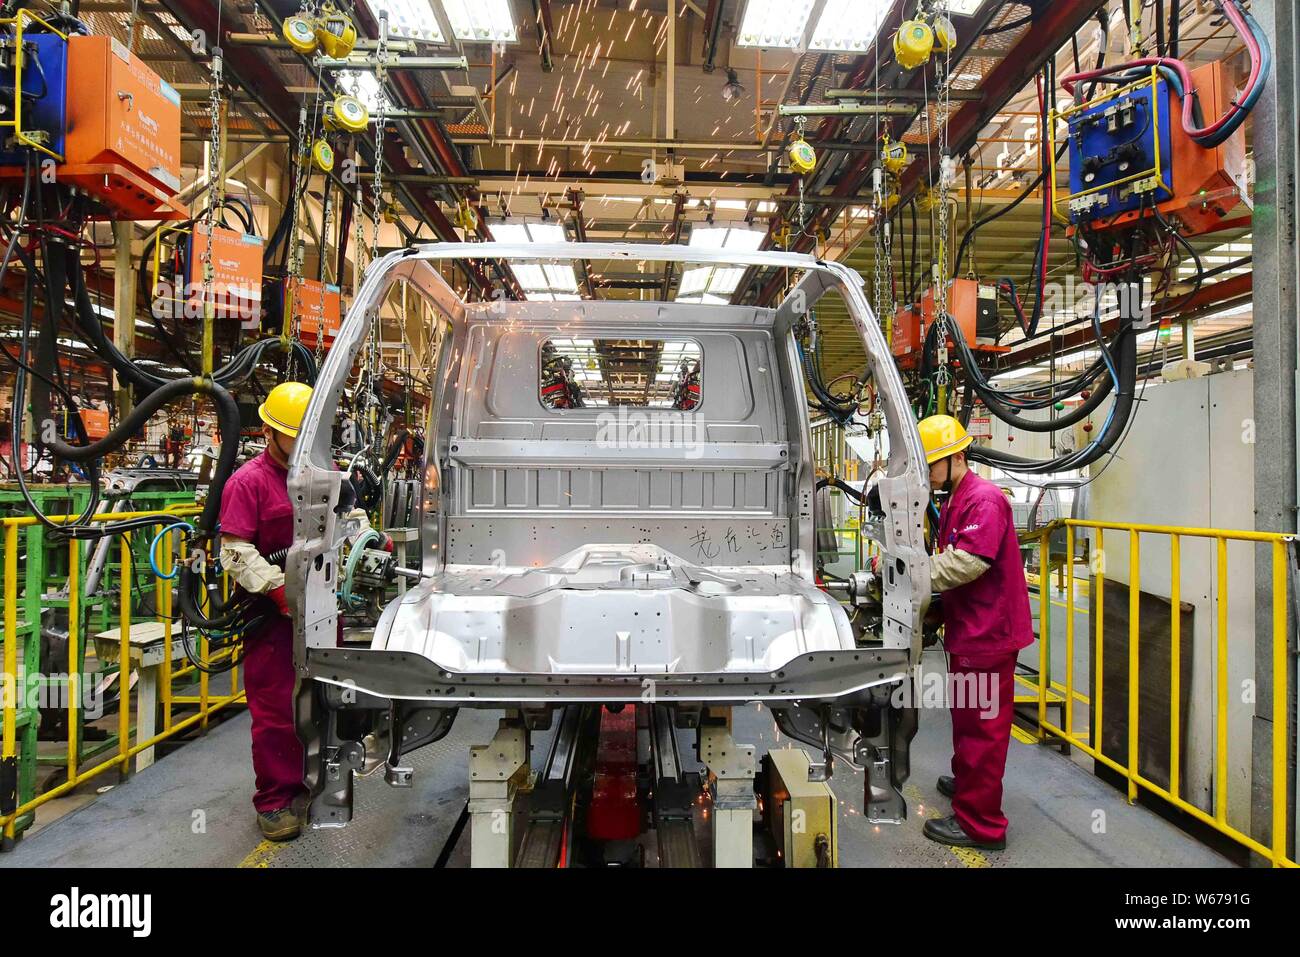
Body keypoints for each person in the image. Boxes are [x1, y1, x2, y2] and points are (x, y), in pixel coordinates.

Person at [916, 414, 1035, 851]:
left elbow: (966, 564)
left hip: (989, 635)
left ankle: (981, 825)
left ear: (955, 458)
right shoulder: (955, 498)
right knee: (967, 719)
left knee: (982, 730)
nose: (927, 477)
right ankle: (969, 784)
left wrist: (908, 574)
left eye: (929, 467)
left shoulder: (983, 500)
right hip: (971, 631)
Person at [219, 382, 314, 841]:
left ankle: (311, 778)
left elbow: (347, 514)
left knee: (320, 698)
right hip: (271, 616)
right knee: (276, 707)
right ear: (268, 433)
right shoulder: (248, 482)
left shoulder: (319, 472)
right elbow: (234, 551)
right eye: (296, 436)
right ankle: (274, 801)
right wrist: (276, 589)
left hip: (318, 607)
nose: (304, 446)